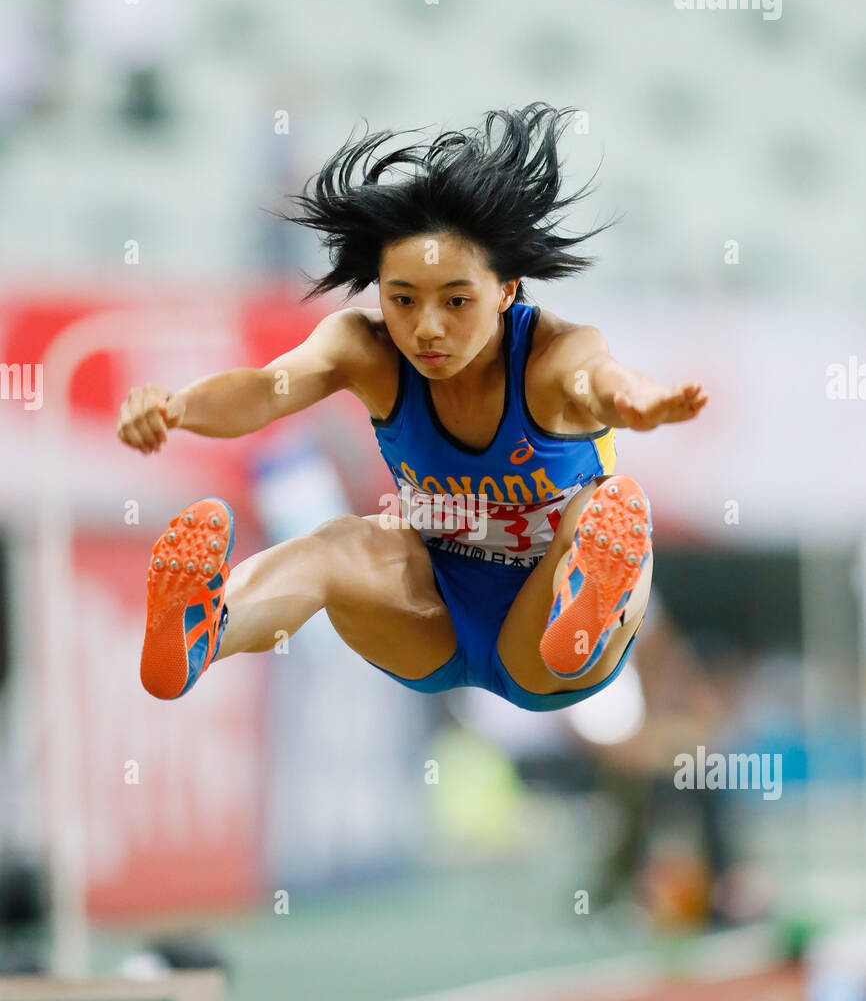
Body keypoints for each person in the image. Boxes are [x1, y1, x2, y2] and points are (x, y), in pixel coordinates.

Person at [117, 103, 707, 711]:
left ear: (505, 289)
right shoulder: (364, 348)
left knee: (602, 509)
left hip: (546, 642)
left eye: (456, 302)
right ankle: (206, 631)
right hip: (430, 620)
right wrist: (177, 408)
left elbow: (604, 382)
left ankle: (584, 615)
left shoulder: (554, 354)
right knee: (337, 542)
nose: (426, 329)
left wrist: (643, 403)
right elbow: (269, 390)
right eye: (402, 299)